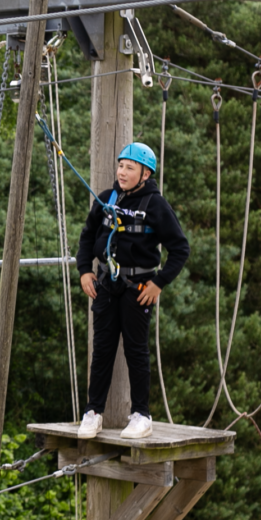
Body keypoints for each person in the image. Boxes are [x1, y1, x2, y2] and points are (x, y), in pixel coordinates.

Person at [74, 142, 190, 440]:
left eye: (129, 167)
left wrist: (159, 282)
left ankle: (141, 415)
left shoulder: (155, 205)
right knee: (102, 350)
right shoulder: (106, 199)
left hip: (138, 289)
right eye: (120, 165)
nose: (122, 172)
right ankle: (93, 412)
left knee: (136, 352)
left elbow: (180, 248)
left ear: (145, 173)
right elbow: (88, 236)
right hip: (105, 286)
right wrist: (85, 270)